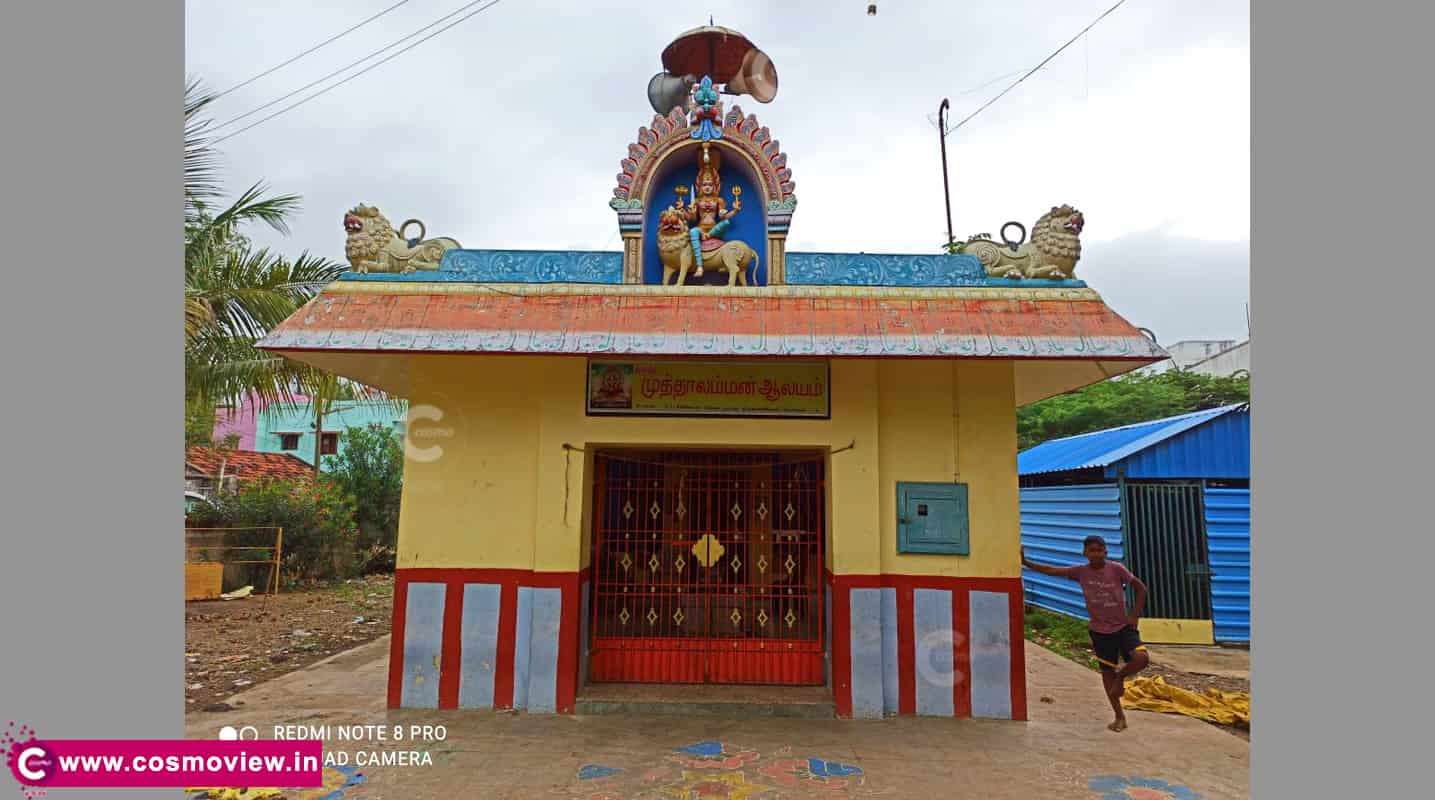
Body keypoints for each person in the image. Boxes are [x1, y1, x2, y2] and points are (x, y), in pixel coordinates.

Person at [1022, 536, 1149, 732]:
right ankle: (1119, 716)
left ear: (1106, 552)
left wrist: (1134, 617)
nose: (1096, 553)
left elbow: (1141, 589)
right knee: (1107, 673)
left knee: (1141, 658)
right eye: (1092, 550)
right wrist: (1026, 563)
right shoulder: (1080, 572)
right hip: (1100, 631)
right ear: (1085, 553)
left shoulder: (1116, 569)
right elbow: (1052, 571)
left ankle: (1120, 678)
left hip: (1123, 627)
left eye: (1100, 550)